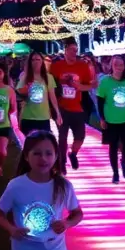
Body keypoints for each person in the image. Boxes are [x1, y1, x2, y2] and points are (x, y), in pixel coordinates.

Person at [50, 38, 96, 174]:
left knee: (80, 137)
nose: (74, 53)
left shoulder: (82, 66)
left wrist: (79, 86)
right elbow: (51, 85)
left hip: (77, 108)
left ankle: (73, 153)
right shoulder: (56, 66)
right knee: (62, 138)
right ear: (65, 50)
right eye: (71, 50)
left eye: (76, 50)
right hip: (61, 107)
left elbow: (90, 86)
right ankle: (62, 163)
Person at [97, 56, 125, 184]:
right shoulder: (105, 82)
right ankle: (115, 173)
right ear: (111, 66)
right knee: (113, 147)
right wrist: (102, 118)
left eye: (121, 65)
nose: (119, 67)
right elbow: (100, 101)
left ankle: (124, 161)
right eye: (116, 65)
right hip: (111, 120)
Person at [16, 51, 62, 135]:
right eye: (33, 60)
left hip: (43, 117)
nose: (36, 62)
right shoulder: (25, 76)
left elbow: (52, 96)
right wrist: (26, 89)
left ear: (42, 61)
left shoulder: (48, 77)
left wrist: (57, 113)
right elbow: (19, 92)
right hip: (28, 116)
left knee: (43, 143)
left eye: (38, 59)